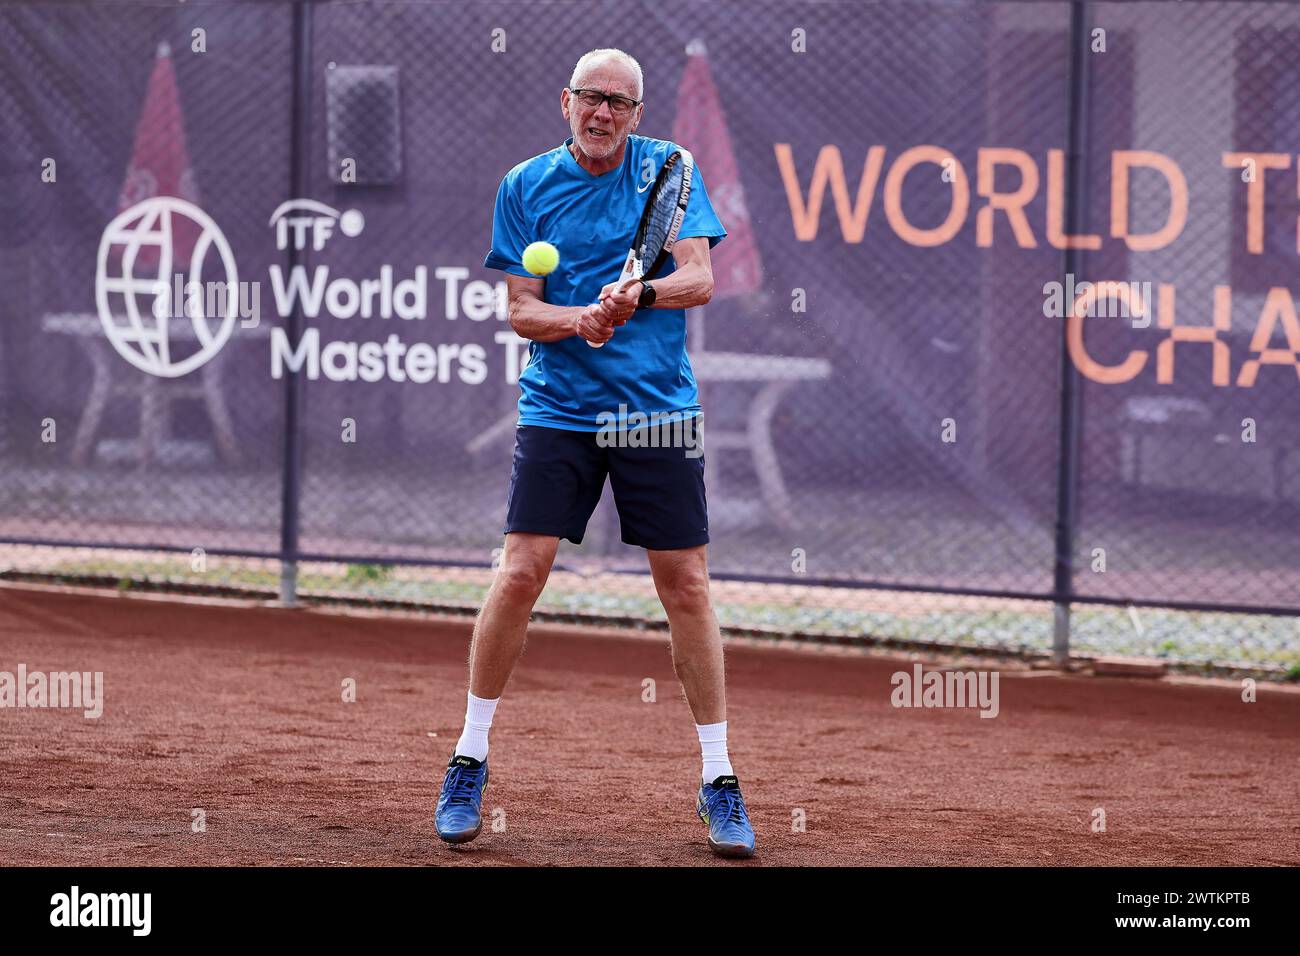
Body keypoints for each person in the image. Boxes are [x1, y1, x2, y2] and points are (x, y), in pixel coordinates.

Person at [434, 48, 755, 859]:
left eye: (619, 101)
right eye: (590, 98)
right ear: (566, 101)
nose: (603, 112)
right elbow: (519, 310)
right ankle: (468, 757)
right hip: (560, 409)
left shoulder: (670, 170)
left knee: (685, 585)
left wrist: (637, 294)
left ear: (637, 113)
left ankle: (719, 779)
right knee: (520, 571)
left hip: (657, 408)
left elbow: (699, 278)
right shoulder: (525, 186)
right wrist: (579, 318)